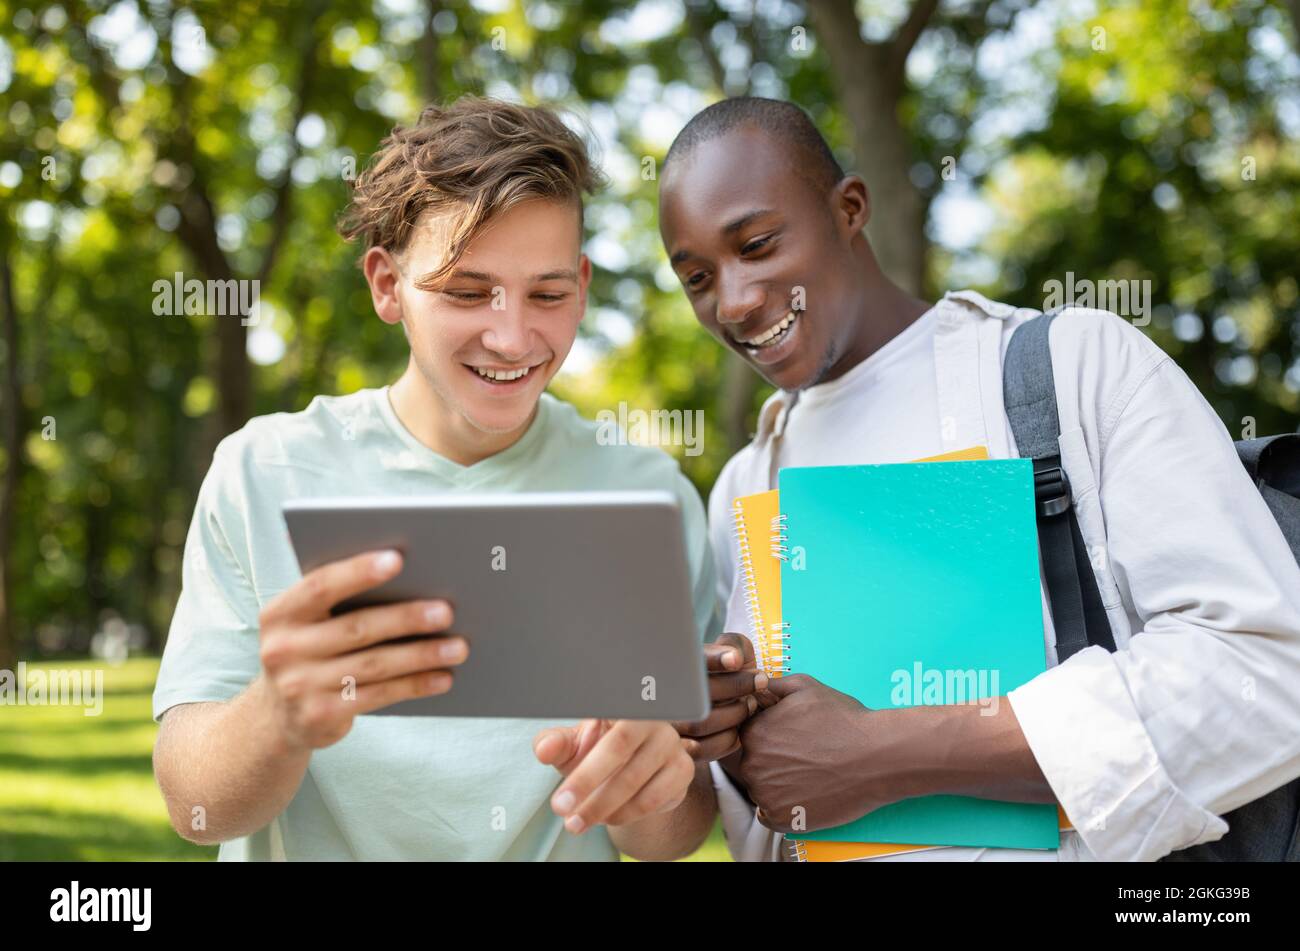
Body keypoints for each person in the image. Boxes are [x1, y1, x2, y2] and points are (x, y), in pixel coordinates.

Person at [659, 96, 1300, 861]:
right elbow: (780, 815)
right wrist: (733, 738)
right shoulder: (745, 481)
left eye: (758, 244)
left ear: (850, 208)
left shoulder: (1071, 370)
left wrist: (884, 749)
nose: (732, 300)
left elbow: (1264, 674)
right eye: (697, 277)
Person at [151, 97, 733, 861]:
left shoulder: (649, 496)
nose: (513, 335)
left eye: (549, 294)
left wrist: (645, 785)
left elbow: (673, 832)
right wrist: (276, 717)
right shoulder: (263, 471)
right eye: (467, 291)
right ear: (387, 285)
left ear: (582, 286)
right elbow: (195, 808)